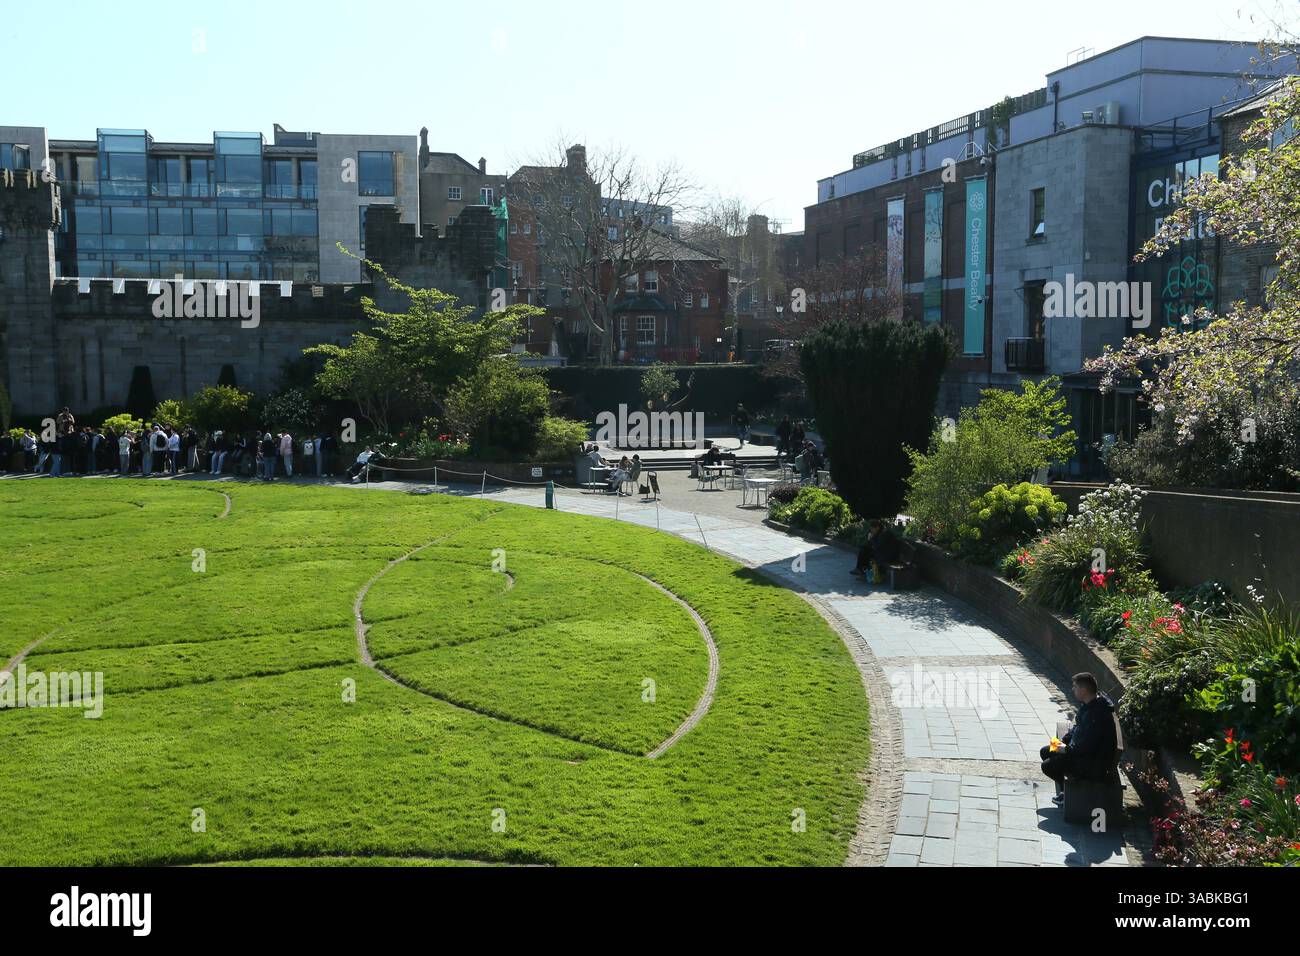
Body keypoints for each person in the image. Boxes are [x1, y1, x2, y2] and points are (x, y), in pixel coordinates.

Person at [1040, 673, 1118, 803]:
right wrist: (1064, 740)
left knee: (1047, 766)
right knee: (1046, 750)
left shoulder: (1096, 714)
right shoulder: (1090, 705)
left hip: (1093, 763)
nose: (1072, 689)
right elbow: (1078, 726)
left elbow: (1088, 745)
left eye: (1075, 687)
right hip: (1084, 753)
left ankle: (1068, 793)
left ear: (1083, 691)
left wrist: (1067, 750)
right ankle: (1065, 790)